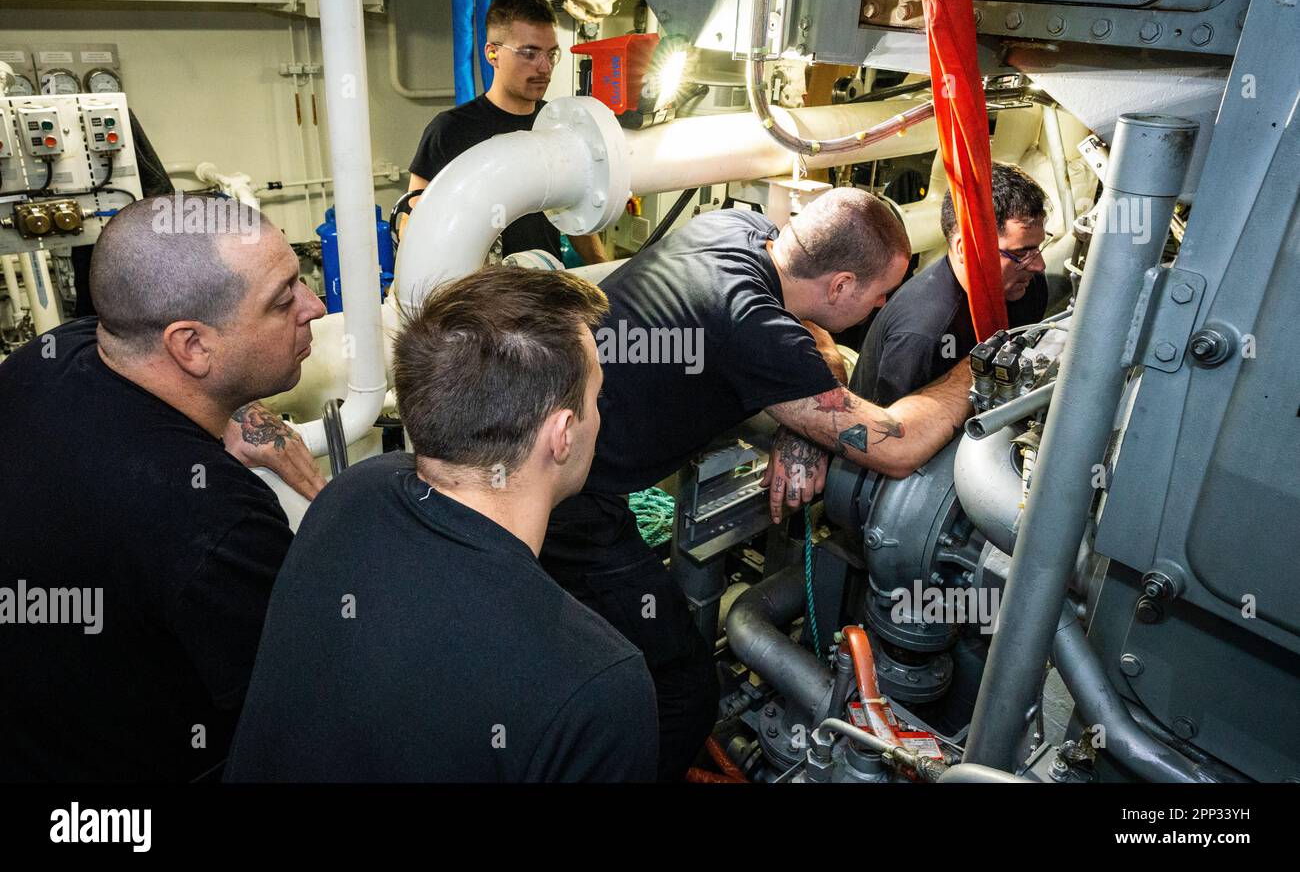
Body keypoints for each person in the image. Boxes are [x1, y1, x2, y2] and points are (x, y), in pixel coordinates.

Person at [540, 188, 974, 782]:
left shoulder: (738, 228)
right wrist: (972, 375)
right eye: (880, 294)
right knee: (684, 686)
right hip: (562, 497)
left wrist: (804, 427)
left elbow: (805, 342)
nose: (884, 306)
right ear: (842, 285)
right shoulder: (749, 323)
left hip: (541, 431)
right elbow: (893, 444)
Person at [225, 266, 657, 782]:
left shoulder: (352, 495)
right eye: (595, 398)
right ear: (561, 433)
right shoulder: (599, 688)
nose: (600, 416)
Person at [0, 194, 326, 781]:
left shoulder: (56, 355)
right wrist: (332, 503)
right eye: (284, 301)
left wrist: (254, 427)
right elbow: (313, 707)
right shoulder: (216, 523)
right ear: (192, 346)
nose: (317, 306)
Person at [406, 0, 607, 265]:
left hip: (546, 282)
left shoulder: (557, 126)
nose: (544, 67)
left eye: (551, 54)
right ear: (492, 54)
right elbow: (413, 225)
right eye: (529, 53)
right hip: (480, 295)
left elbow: (572, 212)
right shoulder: (450, 131)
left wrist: (606, 272)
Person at [850, 163, 1049, 405]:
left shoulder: (1029, 287)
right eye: (1021, 253)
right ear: (965, 249)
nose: (1039, 265)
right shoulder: (923, 333)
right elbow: (891, 431)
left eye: (1037, 247)